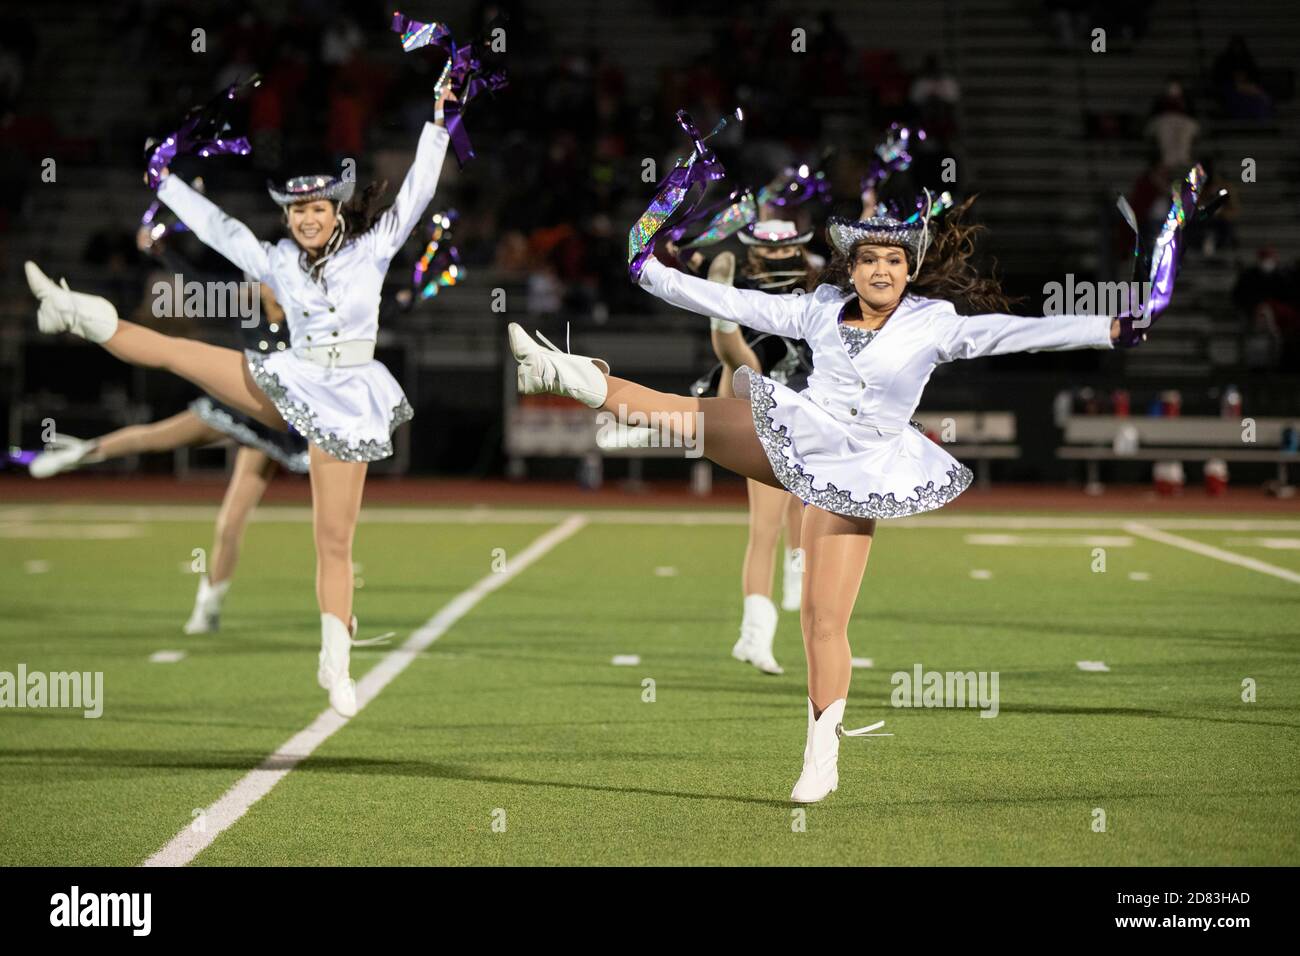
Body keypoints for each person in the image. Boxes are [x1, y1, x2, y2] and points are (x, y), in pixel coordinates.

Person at [506, 196, 1144, 802]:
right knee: (687, 416)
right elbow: (731, 301)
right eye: (870, 260)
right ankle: (561, 372)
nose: (882, 270)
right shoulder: (820, 307)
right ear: (853, 267)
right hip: (802, 432)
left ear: (910, 268)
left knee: (821, 622)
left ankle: (821, 757)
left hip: (863, 468)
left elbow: (1016, 333)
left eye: (895, 261)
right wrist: (650, 271)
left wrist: (1109, 327)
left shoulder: (933, 324)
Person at [24, 86, 454, 716]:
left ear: (336, 208)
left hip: (349, 400)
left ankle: (334, 663)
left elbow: (417, 188)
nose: (307, 218)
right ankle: (70, 310)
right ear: (286, 217)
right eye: (297, 210)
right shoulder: (276, 259)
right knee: (179, 355)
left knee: (334, 544)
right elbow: (217, 226)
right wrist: (163, 181)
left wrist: (441, 120)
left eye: (317, 207)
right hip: (290, 380)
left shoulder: (374, 246)